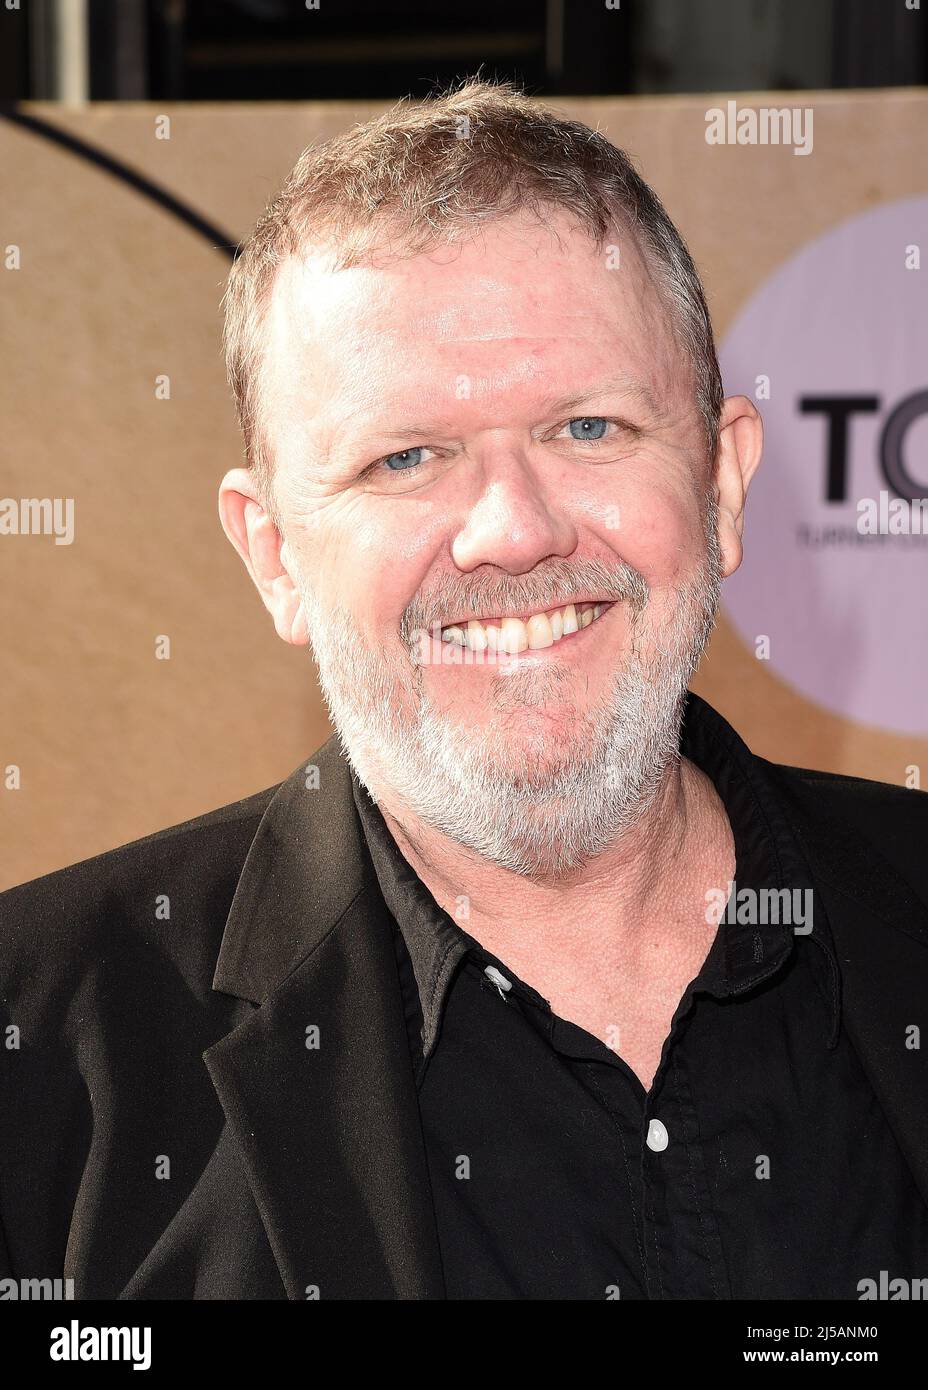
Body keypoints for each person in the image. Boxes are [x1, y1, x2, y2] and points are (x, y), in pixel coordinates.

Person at [2, 79, 927, 1302]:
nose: (512, 530)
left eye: (587, 429)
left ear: (720, 485)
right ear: (272, 552)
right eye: (406, 457)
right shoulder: (39, 1049)